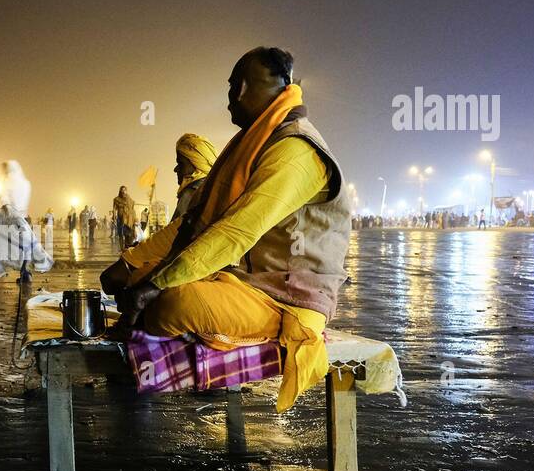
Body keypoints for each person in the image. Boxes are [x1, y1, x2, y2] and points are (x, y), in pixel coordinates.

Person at [102, 46, 349, 413]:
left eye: (236, 86)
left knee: (171, 302)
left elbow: (234, 234)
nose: (231, 99)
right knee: (138, 283)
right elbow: (195, 225)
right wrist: (133, 263)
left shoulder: (296, 151)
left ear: (253, 87)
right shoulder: (252, 145)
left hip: (284, 299)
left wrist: (156, 285)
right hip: (242, 282)